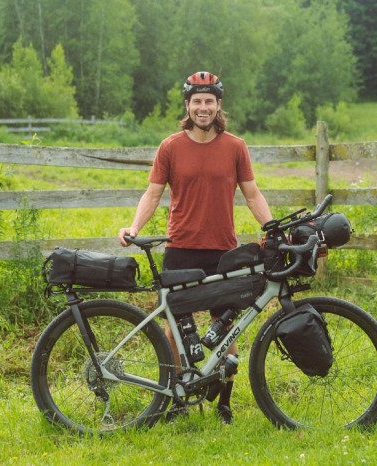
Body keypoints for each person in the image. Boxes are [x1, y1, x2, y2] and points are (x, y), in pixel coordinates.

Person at [118, 71, 272, 424]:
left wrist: (272, 227)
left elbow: (252, 194)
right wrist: (134, 227)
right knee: (173, 328)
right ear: (188, 106)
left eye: (210, 101)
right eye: (197, 101)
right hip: (181, 248)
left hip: (222, 251)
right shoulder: (170, 147)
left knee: (226, 325)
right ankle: (176, 397)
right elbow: (153, 193)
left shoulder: (235, 146)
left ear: (219, 106)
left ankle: (224, 403)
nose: (204, 108)